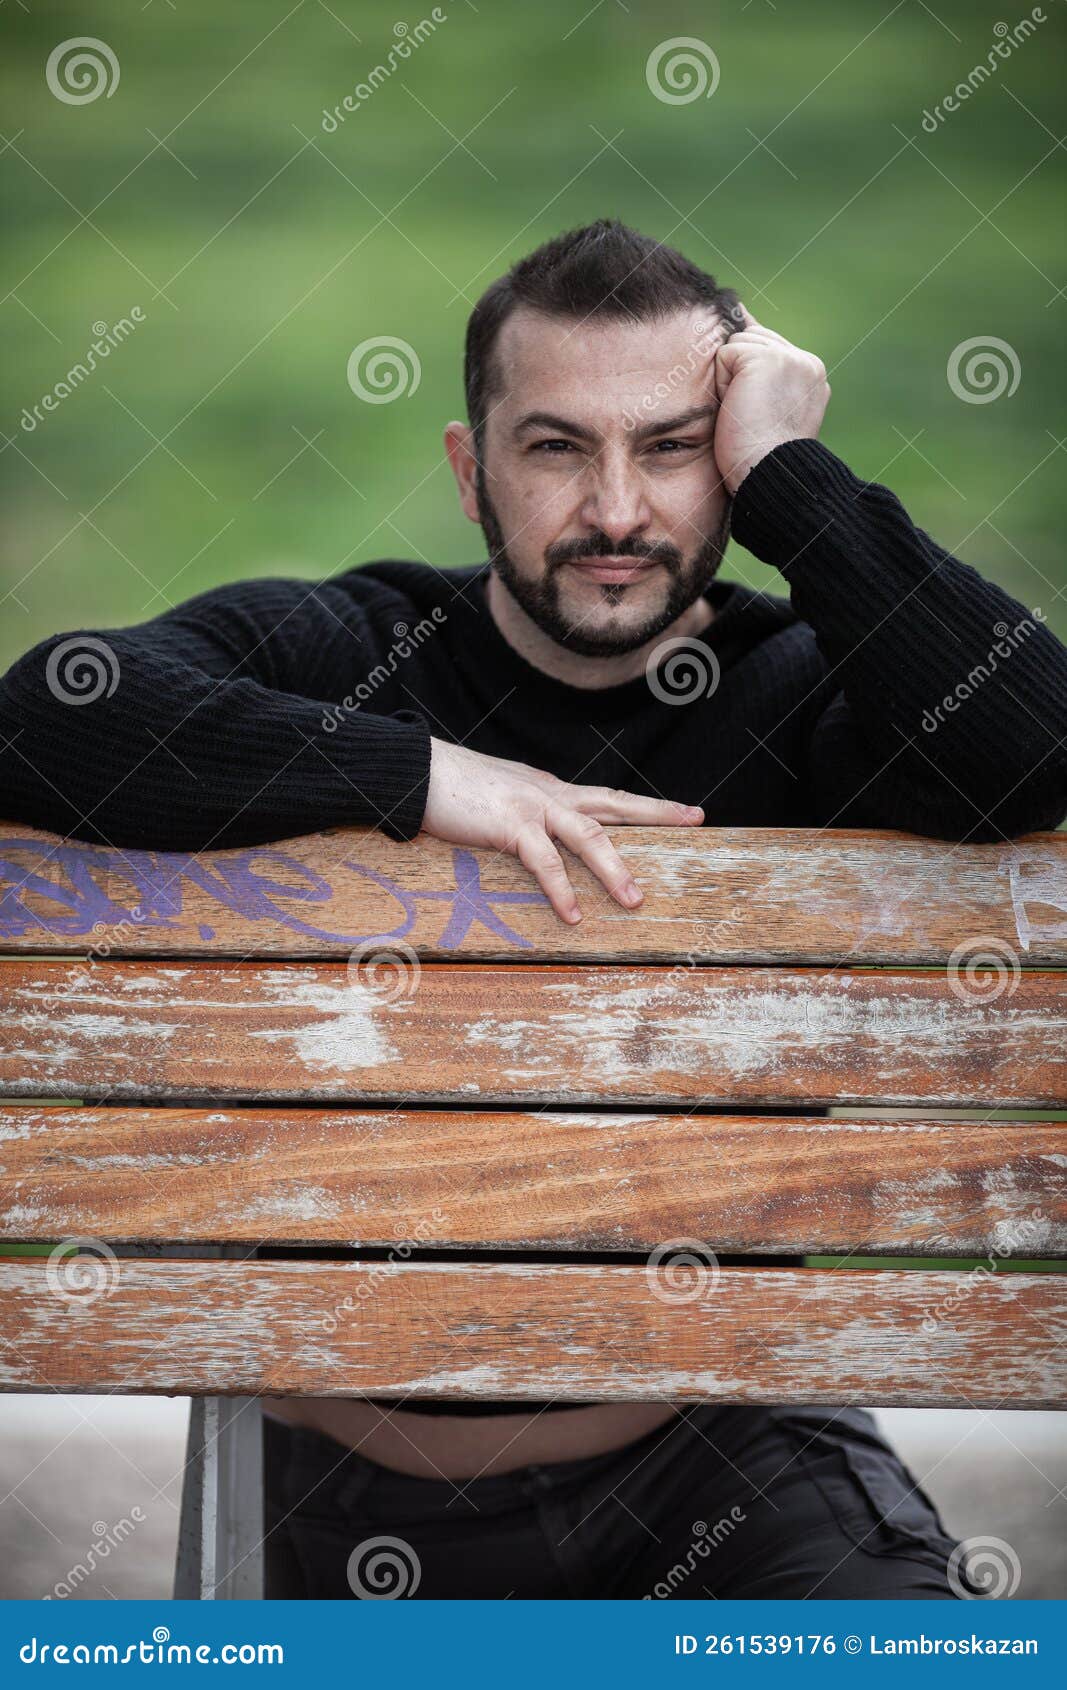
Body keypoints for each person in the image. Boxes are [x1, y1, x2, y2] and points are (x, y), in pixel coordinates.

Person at [2, 220, 1064, 1600]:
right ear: (471, 469)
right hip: (339, 1486)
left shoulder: (800, 695)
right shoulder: (360, 653)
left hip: (718, 1459)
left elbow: (1034, 743)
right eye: (557, 447)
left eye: (676, 448)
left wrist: (797, 478)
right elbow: (50, 708)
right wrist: (428, 777)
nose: (617, 509)